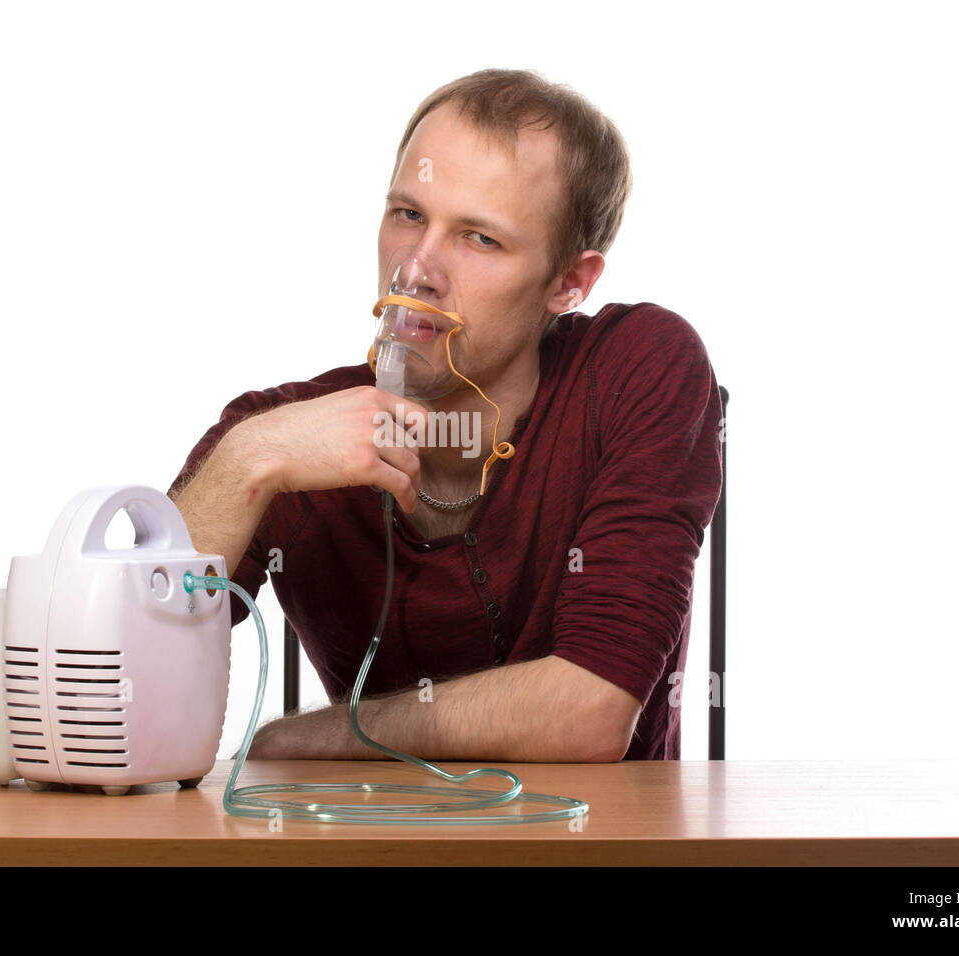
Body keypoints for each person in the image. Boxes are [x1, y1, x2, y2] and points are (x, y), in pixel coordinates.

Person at [168, 68, 724, 762]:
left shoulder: (635, 367)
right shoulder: (282, 434)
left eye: (478, 239)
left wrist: (305, 738)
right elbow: (115, 682)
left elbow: (589, 711)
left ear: (568, 282)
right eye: (408, 215)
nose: (416, 271)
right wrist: (248, 463)